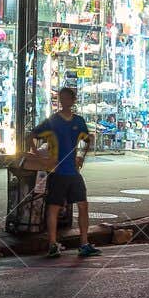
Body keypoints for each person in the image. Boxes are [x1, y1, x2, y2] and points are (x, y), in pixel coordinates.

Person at [32, 86, 99, 259]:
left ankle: (84, 243)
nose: (64, 102)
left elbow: (87, 139)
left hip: (73, 172)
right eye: (62, 99)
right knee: (53, 208)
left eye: (67, 98)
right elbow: (30, 135)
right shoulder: (53, 120)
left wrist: (82, 156)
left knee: (83, 205)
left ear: (73, 100)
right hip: (57, 172)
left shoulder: (79, 121)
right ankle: (53, 244)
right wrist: (40, 157)